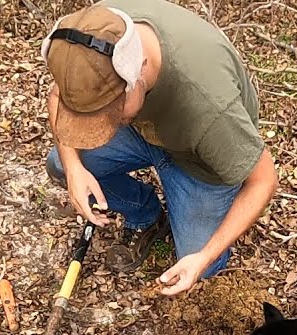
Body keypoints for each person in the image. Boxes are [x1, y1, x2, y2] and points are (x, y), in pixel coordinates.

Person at [39, 0, 278, 296]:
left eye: (109, 116)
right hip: (145, 130)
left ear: (138, 72)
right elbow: (57, 94)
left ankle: (196, 233)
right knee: (61, 163)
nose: (104, 127)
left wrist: (203, 257)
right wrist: (75, 169)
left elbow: (263, 180)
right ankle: (146, 213)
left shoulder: (208, 105)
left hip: (201, 158)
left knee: (202, 269)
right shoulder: (91, 39)